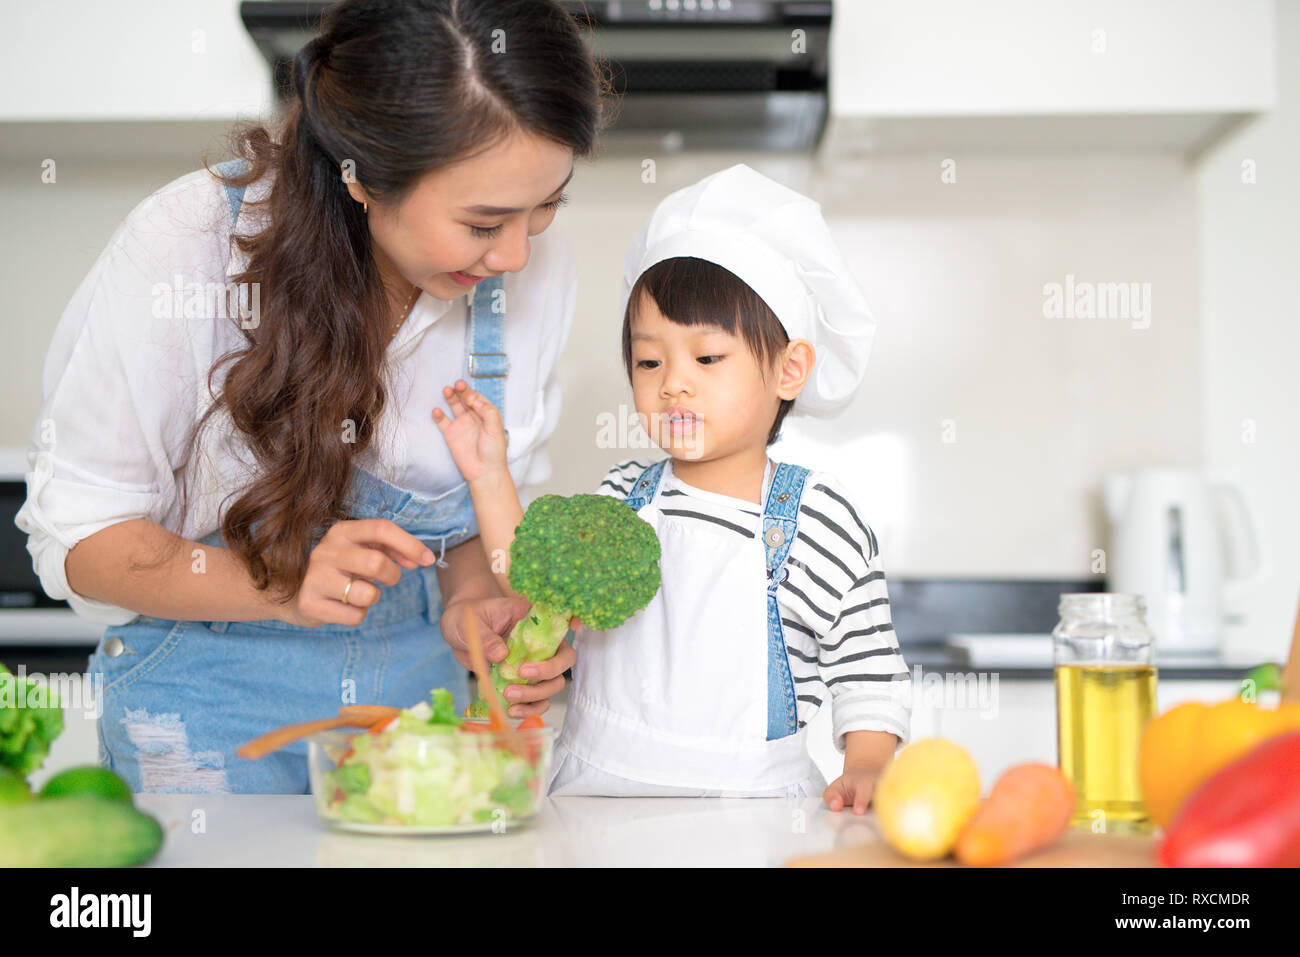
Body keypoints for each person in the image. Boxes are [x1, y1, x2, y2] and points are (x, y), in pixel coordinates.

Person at [14, 0, 610, 793]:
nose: (515, 252)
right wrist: (279, 584)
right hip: (199, 732)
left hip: (410, 725)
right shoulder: (187, 250)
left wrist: (474, 609)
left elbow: (464, 534)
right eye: (481, 222)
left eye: (547, 205)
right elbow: (83, 544)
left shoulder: (532, 272)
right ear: (362, 174)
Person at [433, 164, 912, 812]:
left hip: (756, 814)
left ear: (790, 368)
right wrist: (490, 472)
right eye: (649, 360)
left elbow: (869, 669)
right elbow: (534, 584)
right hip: (590, 804)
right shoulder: (624, 494)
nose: (673, 383)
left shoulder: (818, 520)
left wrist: (867, 764)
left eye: (706, 358)